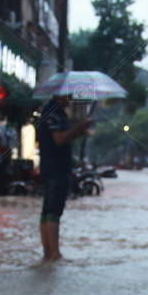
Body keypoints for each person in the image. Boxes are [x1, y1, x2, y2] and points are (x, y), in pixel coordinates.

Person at [35, 96, 92, 262]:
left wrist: (79, 131)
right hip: (56, 167)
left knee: (48, 210)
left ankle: (48, 253)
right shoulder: (54, 113)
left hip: (49, 166)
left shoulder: (51, 111)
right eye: (69, 94)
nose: (72, 98)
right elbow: (59, 139)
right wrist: (80, 127)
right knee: (54, 210)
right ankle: (54, 253)